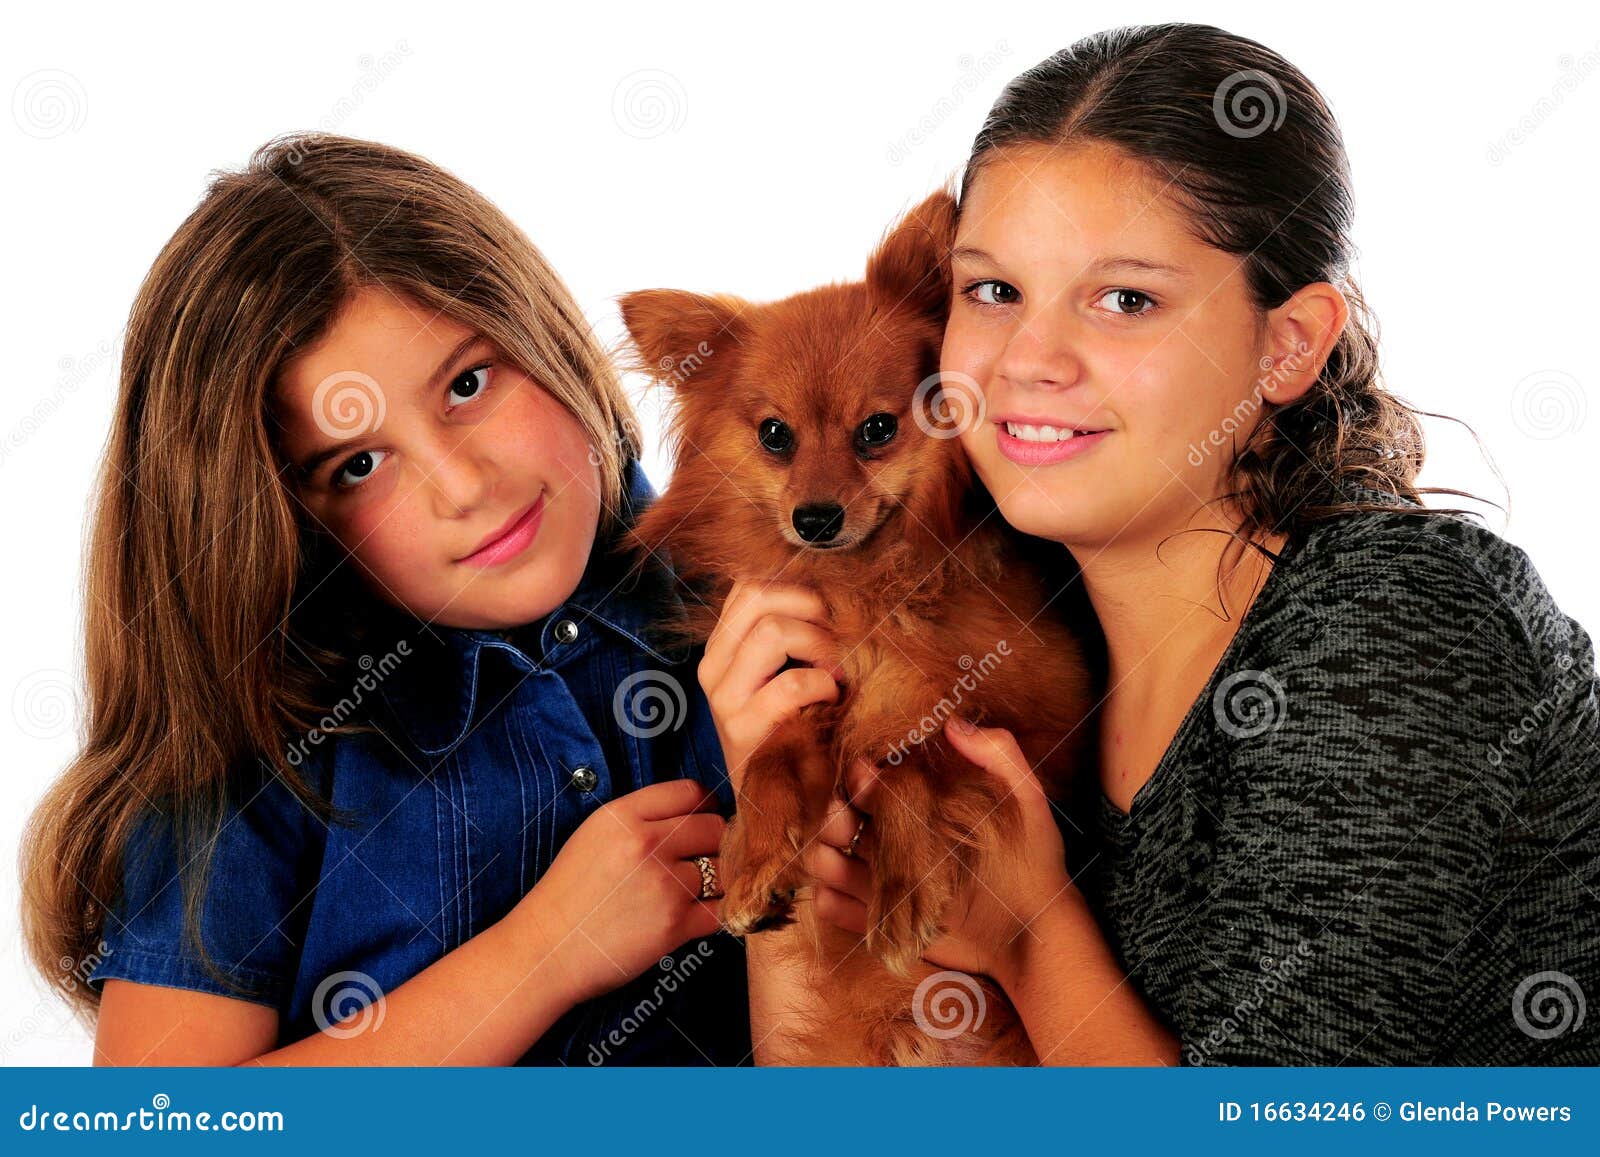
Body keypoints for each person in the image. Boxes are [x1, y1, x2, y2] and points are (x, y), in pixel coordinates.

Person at [709, 24, 1600, 1065]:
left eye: (1126, 299)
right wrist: (779, 831)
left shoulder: (1397, 615)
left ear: (1287, 344)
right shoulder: (1019, 616)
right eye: (993, 291)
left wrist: (1030, 935)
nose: (1028, 360)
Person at [19, 134, 748, 1066]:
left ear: (544, 332)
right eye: (358, 465)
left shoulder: (752, 582)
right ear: (281, 522)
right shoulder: (261, 751)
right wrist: (544, 953)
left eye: (468, 384)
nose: (462, 486)